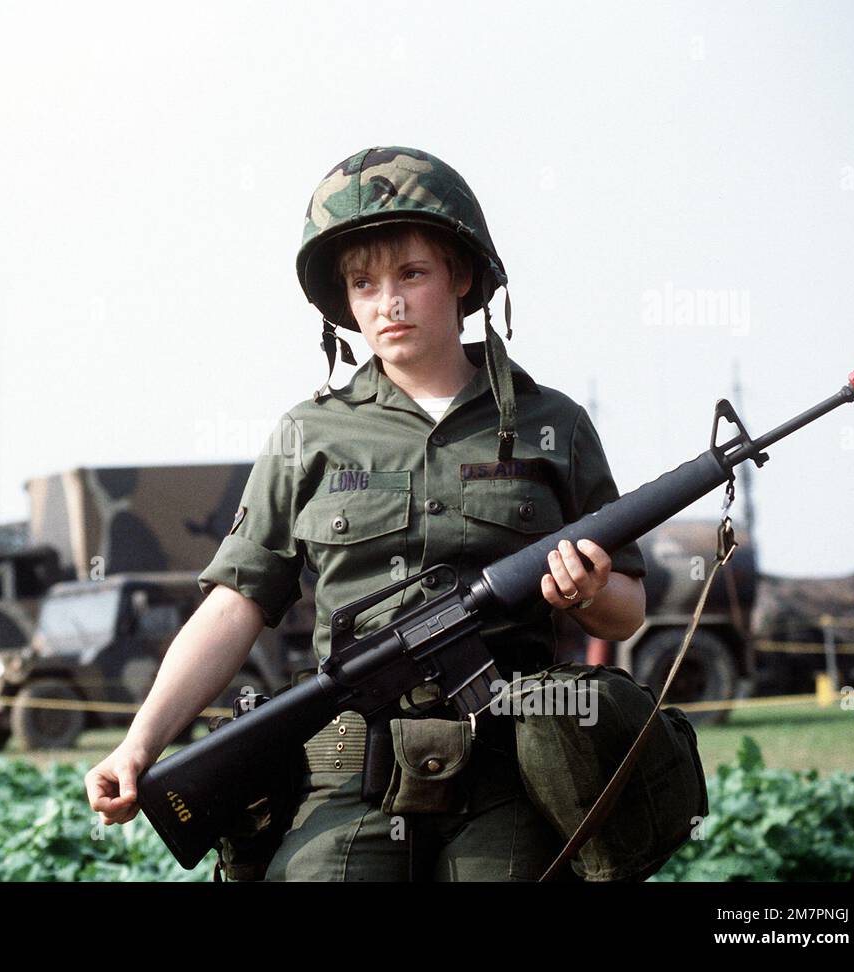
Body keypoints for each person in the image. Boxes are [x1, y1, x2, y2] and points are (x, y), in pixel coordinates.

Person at [85, 145, 647, 881]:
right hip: (349, 763)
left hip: (515, 760)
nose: (390, 302)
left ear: (461, 276)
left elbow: (626, 610)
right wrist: (139, 745)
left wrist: (591, 590)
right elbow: (236, 603)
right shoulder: (308, 435)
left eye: (412, 273)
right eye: (364, 282)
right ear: (344, 302)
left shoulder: (555, 426)